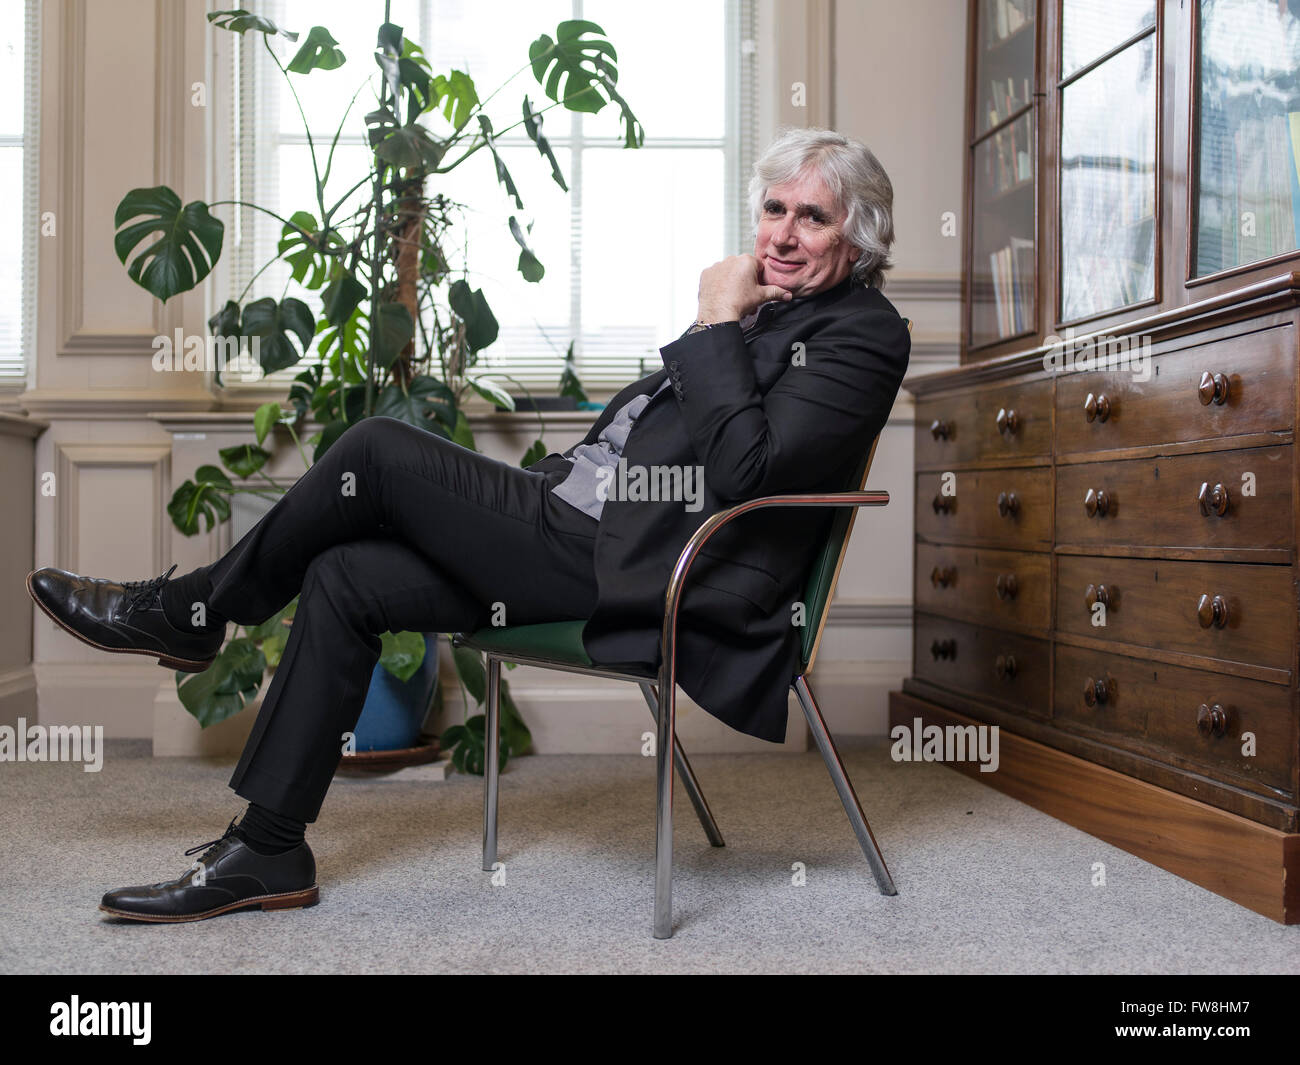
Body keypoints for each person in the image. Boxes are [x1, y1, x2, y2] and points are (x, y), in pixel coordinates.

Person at [25, 126, 911, 923]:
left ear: (858, 237)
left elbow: (744, 470)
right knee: (345, 577)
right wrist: (728, 323)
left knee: (376, 447)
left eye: (814, 218)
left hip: (649, 570)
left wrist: (716, 319)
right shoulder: (767, 310)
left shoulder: (863, 333)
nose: (783, 235)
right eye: (773, 208)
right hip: (586, 527)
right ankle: (267, 848)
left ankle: (194, 611)